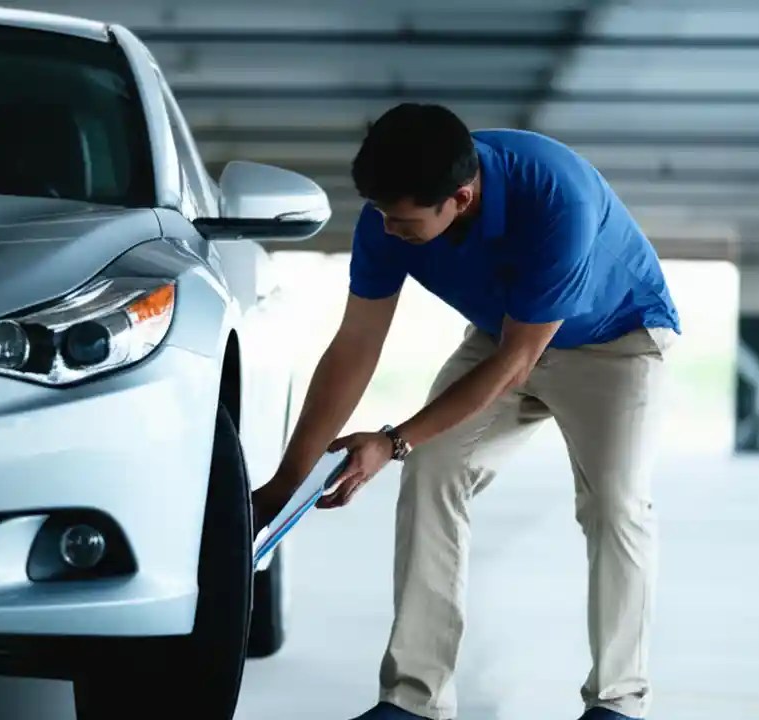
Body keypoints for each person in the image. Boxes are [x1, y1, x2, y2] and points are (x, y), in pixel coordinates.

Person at [251, 103, 681, 720]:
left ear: (462, 195)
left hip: (616, 340)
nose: (388, 230)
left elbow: (516, 364)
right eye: (382, 216)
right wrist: (284, 484)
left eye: (404, 222)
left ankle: (618, 701)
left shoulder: (558, 199)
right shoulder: (389, 216)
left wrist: (393, 439)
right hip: (500, 333)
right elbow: (355, 347)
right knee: (431, 473)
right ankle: (413, 701)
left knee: (615, 504)